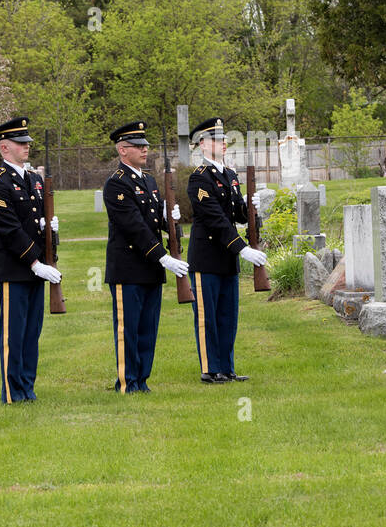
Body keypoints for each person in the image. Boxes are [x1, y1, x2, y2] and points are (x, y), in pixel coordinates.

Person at [102, 121, 186, 393]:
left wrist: (169, 220)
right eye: (138, 146)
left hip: (150, 268)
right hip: (128, 268)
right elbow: (134, 227)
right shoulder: (116, 184)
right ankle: (127, 383)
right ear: (122, 150)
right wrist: (163, 257)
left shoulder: (148, 180)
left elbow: (152, 221)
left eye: (146, 146)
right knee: (130, 330)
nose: (145, 150)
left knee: (148, 329)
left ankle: (143, 380)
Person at [0, 117, 60, 403]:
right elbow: (9, 229)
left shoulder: (34, 180)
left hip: (36, 270)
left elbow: (37, 221)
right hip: (13, 269)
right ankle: (12, 390)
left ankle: (27, 387)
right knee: (13, 335)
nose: (26, 146)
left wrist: (51, 236)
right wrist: (34, 262)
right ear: (4, 147)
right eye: (20, 142)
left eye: (27, 142)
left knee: (31, 334)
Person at [185, 117, 267, 383]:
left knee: (228, 316)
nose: (223, 143)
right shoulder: (198, 179)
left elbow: (237, 217)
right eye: (217, 140)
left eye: (223, 139)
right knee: (207, 317)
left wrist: (251, 207)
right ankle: (210, 369)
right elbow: (215, 219)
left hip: (226, 258)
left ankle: (227, 367)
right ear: (202, 145)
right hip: (207, 257)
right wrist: (242, 249)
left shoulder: (230, 176)